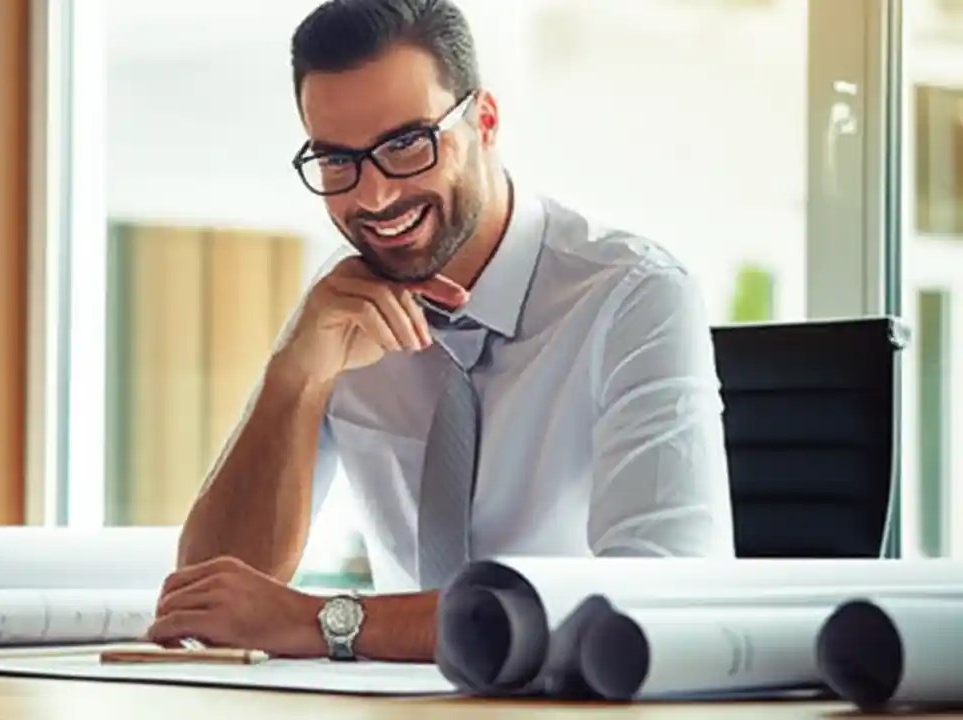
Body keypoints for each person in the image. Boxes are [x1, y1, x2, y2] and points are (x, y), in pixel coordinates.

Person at [147, 0, 734, 662]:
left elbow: (658, 591)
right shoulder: (343, 308)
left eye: (405, 145)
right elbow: (207, 599)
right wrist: (295, 376)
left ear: (484, 120)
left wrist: (328, 622)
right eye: (338, 160)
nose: (373, 198)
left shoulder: (631, 295)